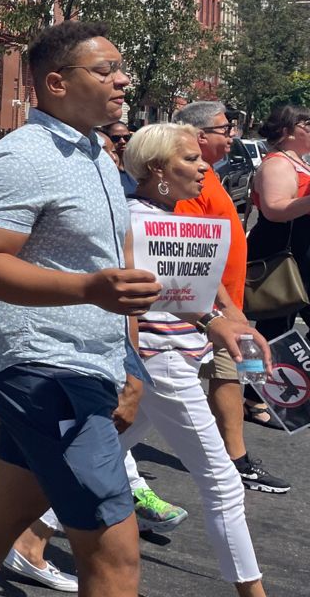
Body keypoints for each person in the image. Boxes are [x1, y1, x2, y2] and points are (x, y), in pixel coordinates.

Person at [0, 22, 170, 597]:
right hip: (43, 369)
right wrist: (88, 289)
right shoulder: (19, 157)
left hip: (90, 361)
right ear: (57, 83)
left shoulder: (97, 153)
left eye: (121, 68)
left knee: (2, 515)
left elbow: (114, 271)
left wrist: (128, 361)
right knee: (115, 552)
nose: (123, 80)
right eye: (106, 69)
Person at [121, 122, 270, 596]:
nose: (204, 165)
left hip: (180, 358)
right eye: (190, 159)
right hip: (158, 362)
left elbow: (205, 284)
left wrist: (238, 323)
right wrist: (132, 369)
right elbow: (131, 302)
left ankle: (31, 534)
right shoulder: (131, 219)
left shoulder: (178, 215)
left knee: (104, 455)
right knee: (224, 485)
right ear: (157, 168)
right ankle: (252, 591)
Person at [174, 102, 289, 494]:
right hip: (209, 304)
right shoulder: (187, 181)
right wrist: (226, 306)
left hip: (224, 300)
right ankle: (236, 460)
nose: (232, 136)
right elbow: (189, 252)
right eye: (225, 129)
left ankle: (236, 447)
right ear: (199, 135)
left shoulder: (210, 175)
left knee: (231, 377)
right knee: (224, 374)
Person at [248, 104, 310, 342]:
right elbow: (274, 209)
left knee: (279, 328)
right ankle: (266, 377)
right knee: (277, 329)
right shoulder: (278, 163)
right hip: (285, 259)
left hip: (298, 257)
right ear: (288, 131)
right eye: (308, 124)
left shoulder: (297, 162)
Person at [101, 120, 137, 194]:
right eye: (116, 138)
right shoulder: (105, 170)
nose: (123, 141)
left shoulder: (137, 167)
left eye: (126, 137)